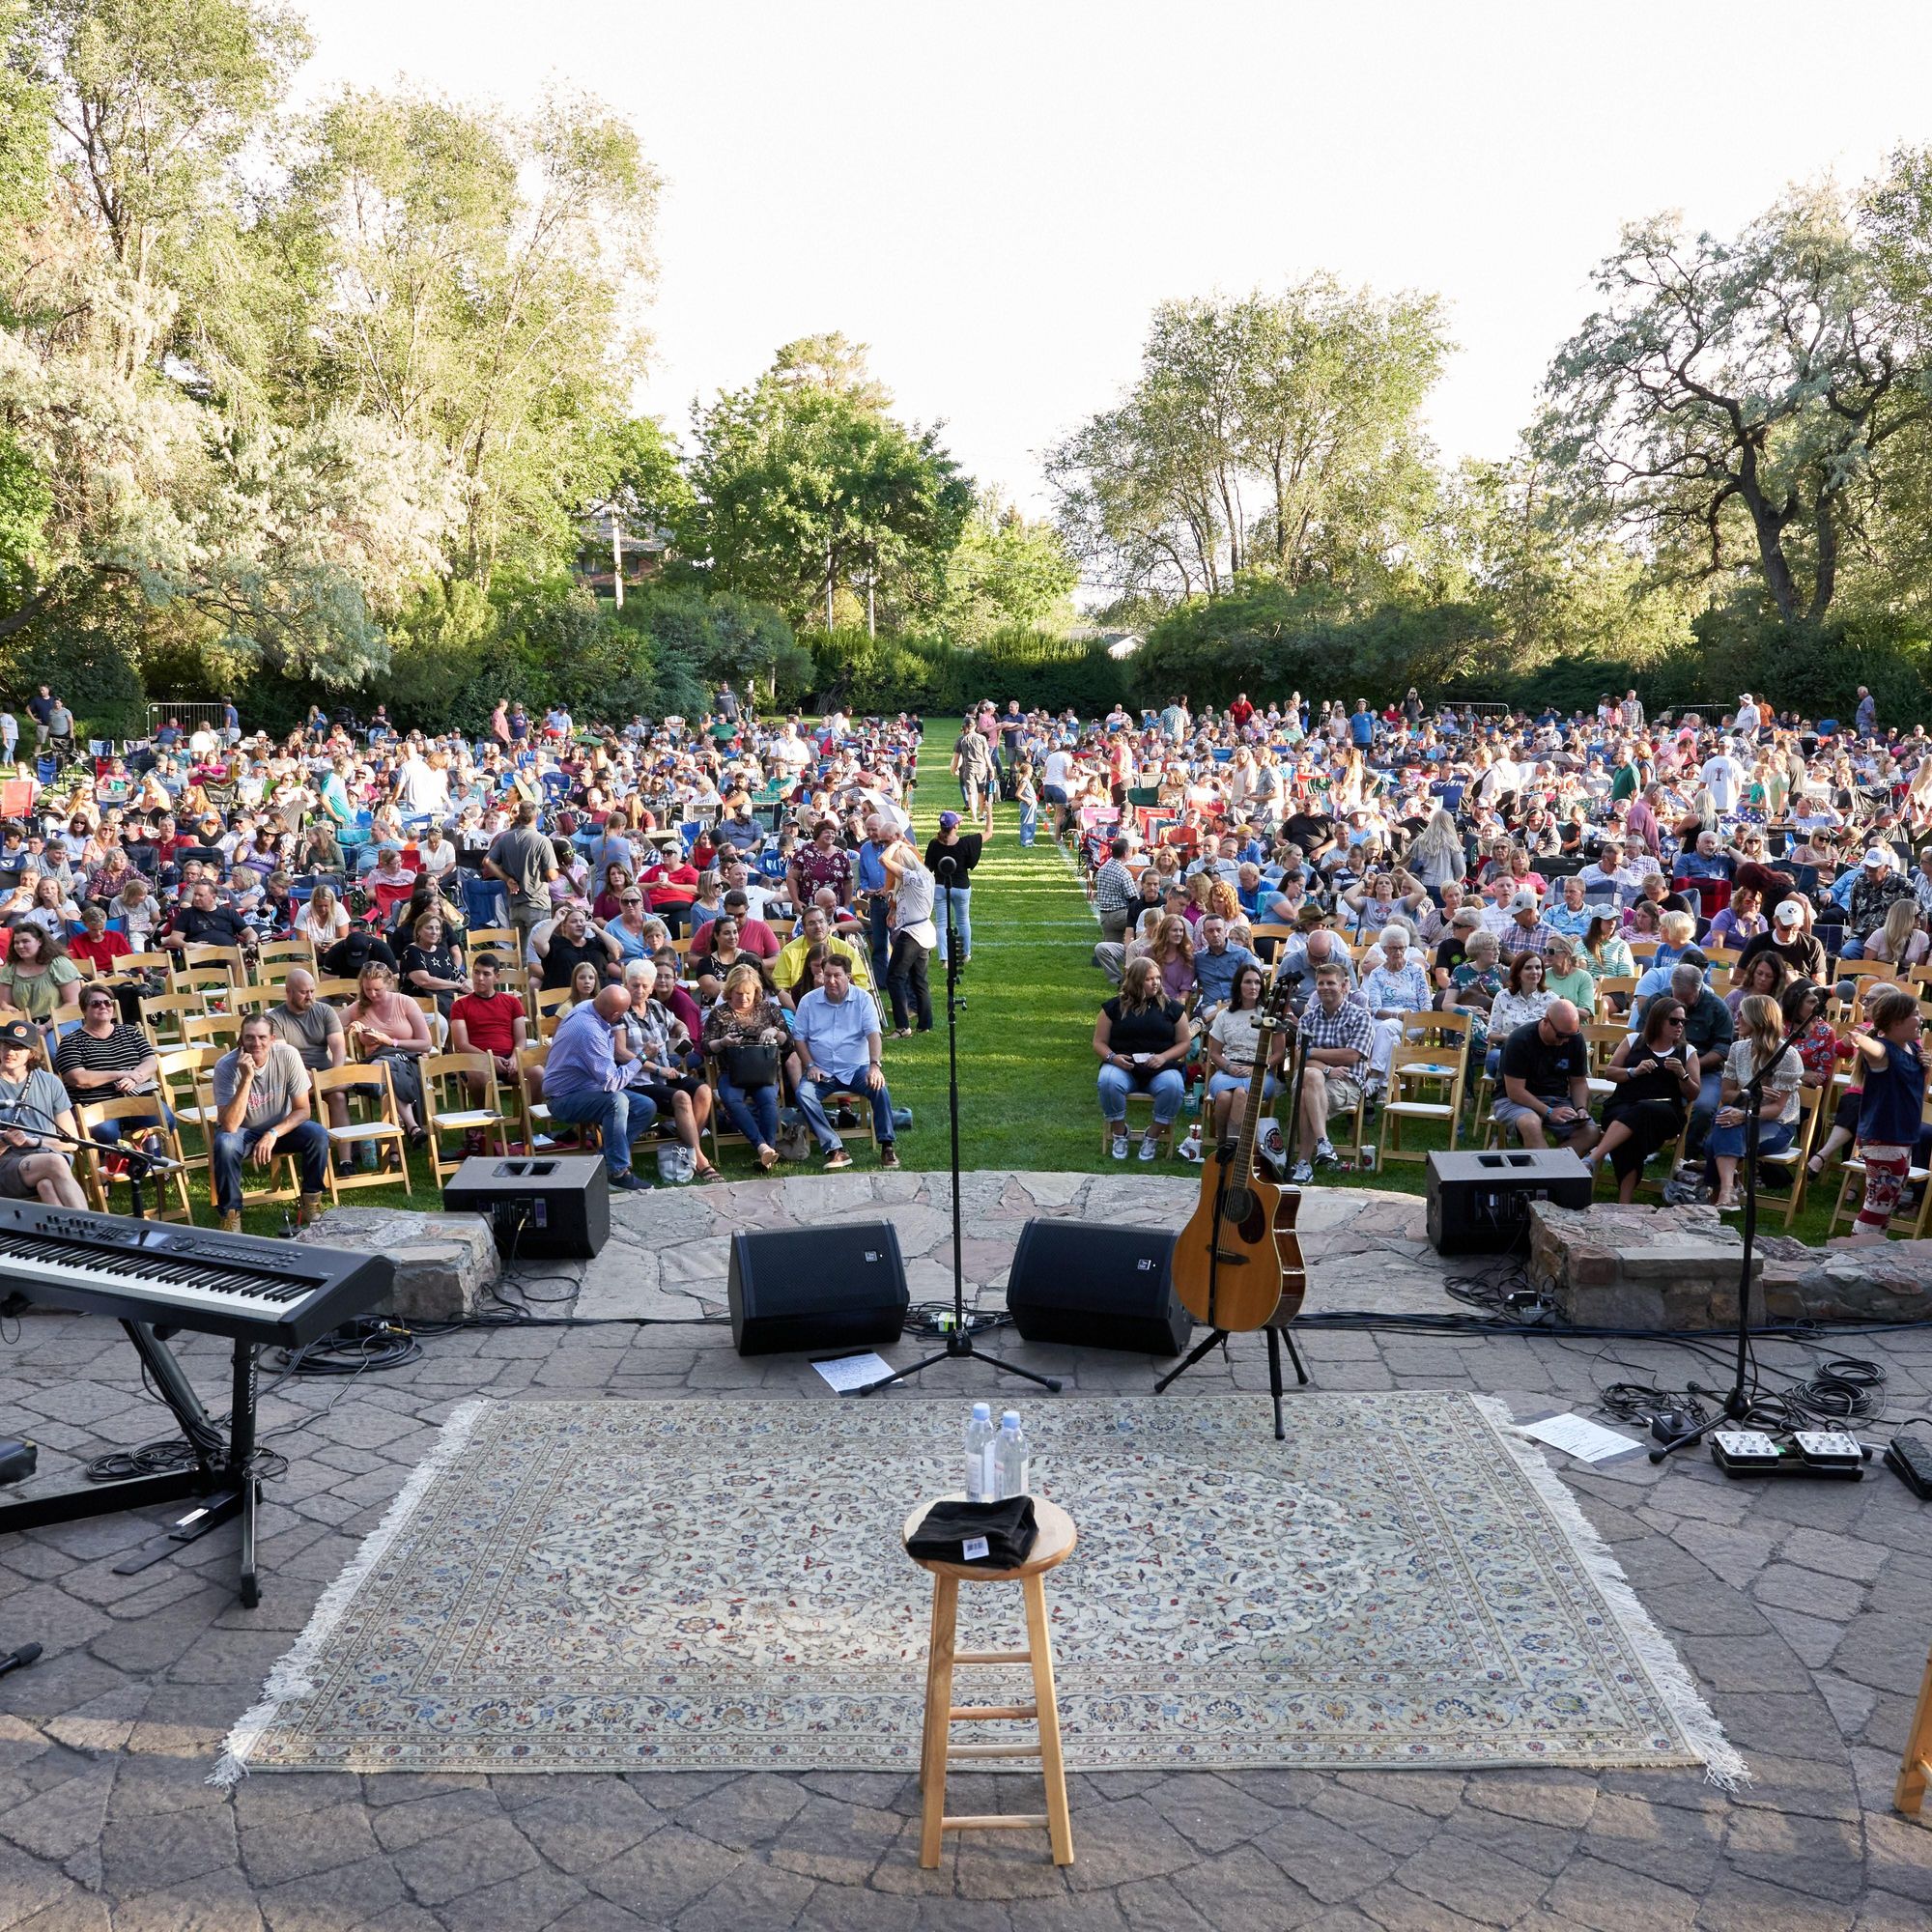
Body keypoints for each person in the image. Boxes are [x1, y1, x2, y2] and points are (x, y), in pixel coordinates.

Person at [210, 1011, 330, 1230]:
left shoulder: (287, 1055)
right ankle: (230, 1214)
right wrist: (246, 1078)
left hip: (279, 1129)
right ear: (241, 1039)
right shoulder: (226, 1066)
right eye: (250, 1037)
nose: (256, 1043)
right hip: (242, 1131)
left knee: (318, 1134)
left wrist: (273, 1133)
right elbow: (229, 1125)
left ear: (272, 1039)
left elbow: (303, 1110)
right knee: (225, 1144)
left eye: (262, 1037)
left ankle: (311, 1200)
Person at [790, 953, 898, 1171]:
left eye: (837, 976)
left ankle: (887, 1145)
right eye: (827, 975)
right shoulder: (809, 1001)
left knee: (879, 1088)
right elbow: (799, 1037)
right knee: (804, 1094)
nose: (831, 980)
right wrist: (810, 1065)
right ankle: (834, 1148)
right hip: (822, 1071)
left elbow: (873, 1035)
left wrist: (874, 1066)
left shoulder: (863, 999)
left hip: (856, 1068)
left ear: (848, 977)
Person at [1586, 997, 1699, 1202]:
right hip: (1624, 1107)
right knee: (1632, 1131)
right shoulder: (1633, 1041)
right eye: (1674, 1021)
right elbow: (1610, 1073)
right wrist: (1633, 1072)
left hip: (1664, 1114)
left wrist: (1682, 1074)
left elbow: (1693, 1094)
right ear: (1658, 1020)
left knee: (1644, 1109)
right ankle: (1624, 1202)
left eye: (1684, 1022)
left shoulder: (1687, 1052)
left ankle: (1594, 1156)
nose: (1680, 1026)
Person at [542, 987, 654, 1190]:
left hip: (589, 1089)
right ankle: (618, 1172)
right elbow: (612, 1082)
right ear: (615, 1015)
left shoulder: (588, 1007)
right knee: (617, 1102)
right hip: (563, 1099)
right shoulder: (589, 1031)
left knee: (645, 1106)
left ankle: (603, 1162)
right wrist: (643, 1056)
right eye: (624, 1012)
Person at [618, 959, 719, 1181]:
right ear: (627, 985)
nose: (640, 990)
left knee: (704, 1091)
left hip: (666, 1072)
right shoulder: (620, 1013)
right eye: (635, 985)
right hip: (639, 1080)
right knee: (682, 1097)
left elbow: (678, 1024)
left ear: (651, 986)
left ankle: (687, 1148)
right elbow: (620, 1053)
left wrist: (682, 1034)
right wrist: (655, 1067)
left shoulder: (655, 1007)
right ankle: (700, 1160)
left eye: (645, 986)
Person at [1706, 992, 1804, 1210]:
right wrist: (1751, 1092)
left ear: (1758, 1019)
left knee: (1715, 1137)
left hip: (1778, 1126)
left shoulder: (1787, 1055)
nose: (1737, 1018)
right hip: (1737, 1119)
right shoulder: (1737, 1049)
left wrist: (1744, 1114)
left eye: (1742, 1014)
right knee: (1725, 1119)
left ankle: (1722, 1192)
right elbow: (1726, 1095)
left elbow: (1777, 1109)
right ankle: (1727, 1190)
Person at [1843, 988, 1927, 1241]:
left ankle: (1874, 1254)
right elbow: (1874, 1048)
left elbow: (1917, 1092)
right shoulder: (1884, 1051)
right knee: (1877, 1204)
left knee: (1888, 1204)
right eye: (1915, 1014)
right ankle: (1851, 1257)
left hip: (1903, 1138)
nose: (1921, 1018)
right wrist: (1860, 1039)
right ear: (1895, 1022)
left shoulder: (1913, 1048)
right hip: (1884, 1139)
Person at [1094, 955, 1191, 1162]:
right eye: (1149, 979)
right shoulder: (1112, 1008)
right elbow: (1099, 1042)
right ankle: (1120, 1133)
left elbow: (1184, 1042)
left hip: (1160, 1069)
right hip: (1123, 1067)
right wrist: (1112, 1057)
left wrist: (1163, 1057)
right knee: (1107, 1081)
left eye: (1157, 978)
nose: (1155, 982)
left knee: (1174, 1085)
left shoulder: (1173, 1008)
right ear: (1136, 981)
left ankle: (1152, 1135)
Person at [54, 984, 167, 1149]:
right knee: (106, 1133)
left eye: (108, 1003)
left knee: (163, 1119)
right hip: (97, 1106)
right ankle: (114, 1170)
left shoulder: (130, 1032)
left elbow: (151, 1061)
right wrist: (121, 1074)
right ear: (84, 1010)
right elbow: (78, 1079)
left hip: (136, 1099)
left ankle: (150, 1167)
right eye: (96, 1003)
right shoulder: (71, 1042)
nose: (103, 1006)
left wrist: (135, 1078)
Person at [1291, 960, 1373, 1180]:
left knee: (1306, 1093)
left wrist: (1312, 1052)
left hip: (1347, 1082)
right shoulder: (1308, 1018)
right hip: (1315, 1076)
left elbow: (1352, 1055)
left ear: (1345, 986)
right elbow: (1299, 1058)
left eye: (1330, 983)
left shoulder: (1360, 1016)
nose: (1325, 987)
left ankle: (1303, 1162)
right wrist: (1326, 1069)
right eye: (1320, 983)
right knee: (1310, 1076)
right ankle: (1323, 1143)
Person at [703, 962, 788, 1171]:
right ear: (730, 991)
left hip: (762, 1072)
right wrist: (723, 1042)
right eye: (738, 993)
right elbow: (706, 1047)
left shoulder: (769, 1010)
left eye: (748, 993)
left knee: (768, 1100)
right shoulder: (719, 1013)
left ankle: (766, 1152)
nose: (743, 998)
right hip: (731, 1072)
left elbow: (789, 1042)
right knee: (731, 1100)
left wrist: (776, 1032)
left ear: (757, 991)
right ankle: (763, 1147)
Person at [1494, 999, 1600, 1153]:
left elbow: (1578, 1082)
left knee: (1590, 1133)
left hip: (1556, 1098)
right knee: (1530, 1123)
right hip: (1514, 1100)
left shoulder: (1574, 1039)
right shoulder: (1519, 1040)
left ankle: (1546, 1169)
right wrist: (1549, 1112)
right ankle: (1547, 1173)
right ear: (1545, 1022)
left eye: (1570, 1036)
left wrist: (1581, 1108)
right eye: (1560, 1036)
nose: (1565, 1041)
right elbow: (1515, 1091)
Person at [0, 1018, 87, 1206]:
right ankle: (93, 1227)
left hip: (48, 1158)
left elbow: (72, 1142)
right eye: (6, 1045)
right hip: (8, 1164)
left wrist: (34, 1141)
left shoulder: (51, 1082)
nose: (10, 1052)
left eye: (18, 1048)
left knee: (47, 1185)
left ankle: (67, 1234)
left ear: (31, 1053)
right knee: (54, 1163)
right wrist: (5, 1139)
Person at [342, 961, 432, 1138]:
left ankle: (395, 1147)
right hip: (376, 1065)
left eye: (378, 990)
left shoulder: (405, 1002)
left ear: (389, 984)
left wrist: (391, 1042)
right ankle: (412, 1127)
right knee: (385, 1071)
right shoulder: (358, 1007)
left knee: (387, 1076)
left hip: (406, 1060)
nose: (372, 994)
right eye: (367, 990)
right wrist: (348, 1028)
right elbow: (329, 1027)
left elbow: (426, 1043)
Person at [1204, 961, 1286, 1146]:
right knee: (1224, 1096)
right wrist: (1229, 1067)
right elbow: (1214, 1053)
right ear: (1238, 986)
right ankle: (1224, 1143)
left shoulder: (1269, 1015)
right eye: (1248, 982)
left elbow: (1279, 1053)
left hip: (1259, 1071)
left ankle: (1234, 1146)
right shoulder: (1224, 1015)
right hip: (1228, 1069)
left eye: (1257, 982)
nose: (1253, 986)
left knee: (1241, 1093)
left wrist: (1255, 1068)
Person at [449, 952, 528, 1122]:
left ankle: (528, 1126)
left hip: (509, 1059)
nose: (479, 978)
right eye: (476, 972)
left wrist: (515, 1057)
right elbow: (461, 1043)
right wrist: (490, 1059)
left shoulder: (512, 1002)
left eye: (486, 974)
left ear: (497, 977)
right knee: (480, 1076)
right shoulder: (460, 1005)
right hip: (477, 1059)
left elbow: (522, 1039)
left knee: (537, 1073)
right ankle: (484, 1126)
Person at [879, 835, 936, 1037]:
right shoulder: (925, 875)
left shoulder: (911, 877)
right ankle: (926, 1023)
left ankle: (903, 1027)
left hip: (912, 934)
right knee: (919, 979)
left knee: (894, 977)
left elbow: (883, 860)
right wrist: (892, 911)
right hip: (923, 931)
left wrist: (894, 844)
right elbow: (903, 899)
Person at [483, 799, 560, 942]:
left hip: (515, 904)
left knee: (519, 953)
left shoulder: (506, 838)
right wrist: (560, 869)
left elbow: (487, 861)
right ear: (536, 817)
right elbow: (551, 875)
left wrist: (507, 879)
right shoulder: (542, 841)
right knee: (537, 952)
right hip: (537, 903)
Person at [0, 923, 82, 1034]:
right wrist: (15, 1015)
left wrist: (47, 1026)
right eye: (16, 942)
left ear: (40, 941)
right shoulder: (10, 967)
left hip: (62, 1020)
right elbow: (5, 1002)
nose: (20, 946)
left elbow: (73, 1002)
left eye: (25, 941)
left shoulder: (59, 964)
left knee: (52, 1050)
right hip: (25, 1023)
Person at [925, 811, 981, 971]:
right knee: (963, 920)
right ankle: (966, 953)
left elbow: (928, 868)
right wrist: (989, 813)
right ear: (955, 826)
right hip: (962, 888)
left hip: (940, 887)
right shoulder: (965, 843)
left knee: (942, 923)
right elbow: (988, 833)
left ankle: (945, 959)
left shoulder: (934, 844)